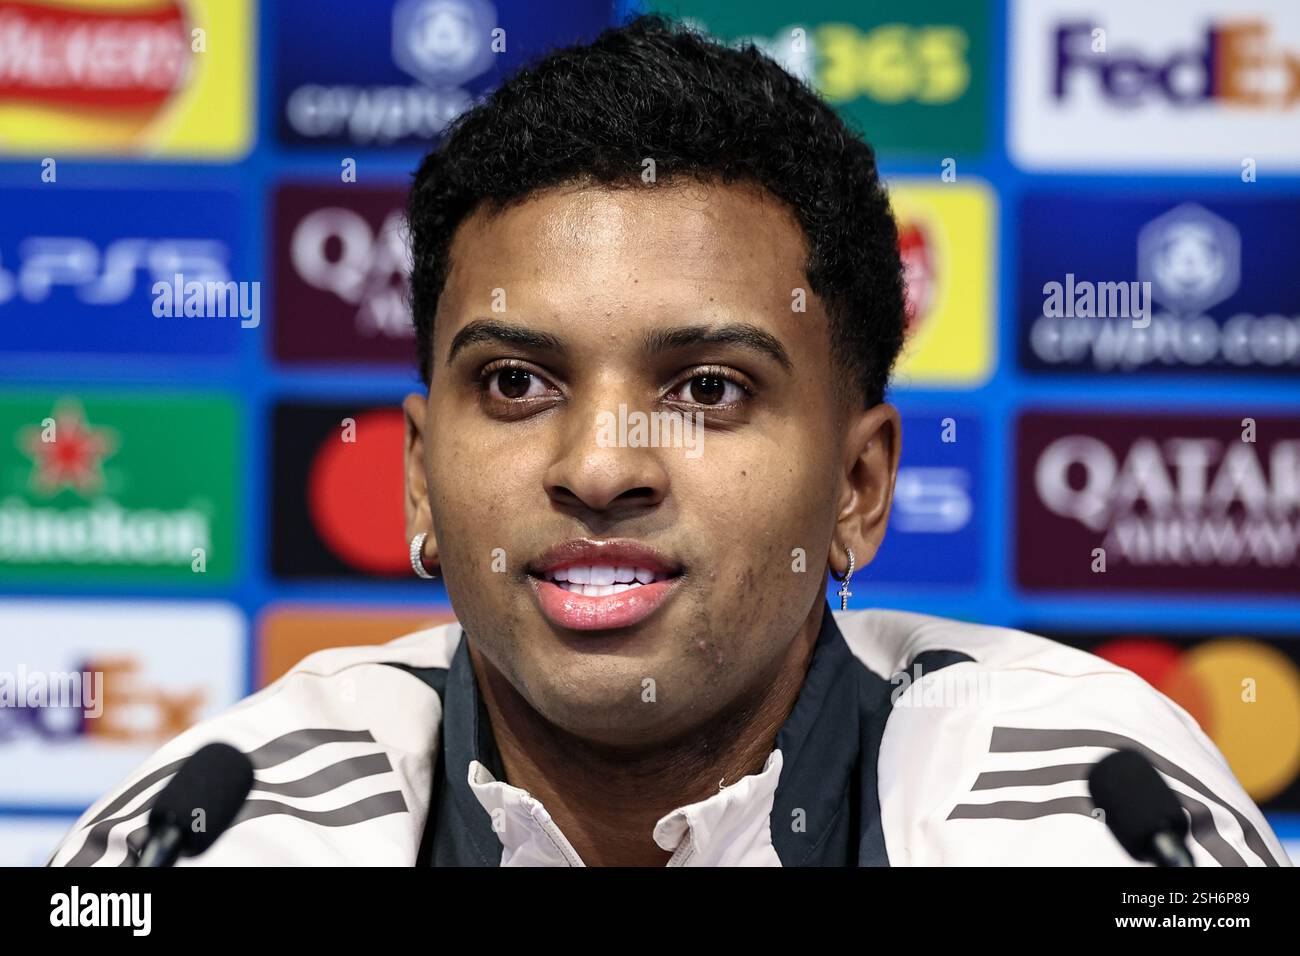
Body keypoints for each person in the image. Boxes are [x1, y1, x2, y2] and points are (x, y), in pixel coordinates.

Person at [50, 15, 1287, 867]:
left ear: (858, 487)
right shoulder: (227, 828)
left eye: (705, 387)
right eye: (519, 381)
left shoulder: (1086, 810)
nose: (600, 465)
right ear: (419, 477)